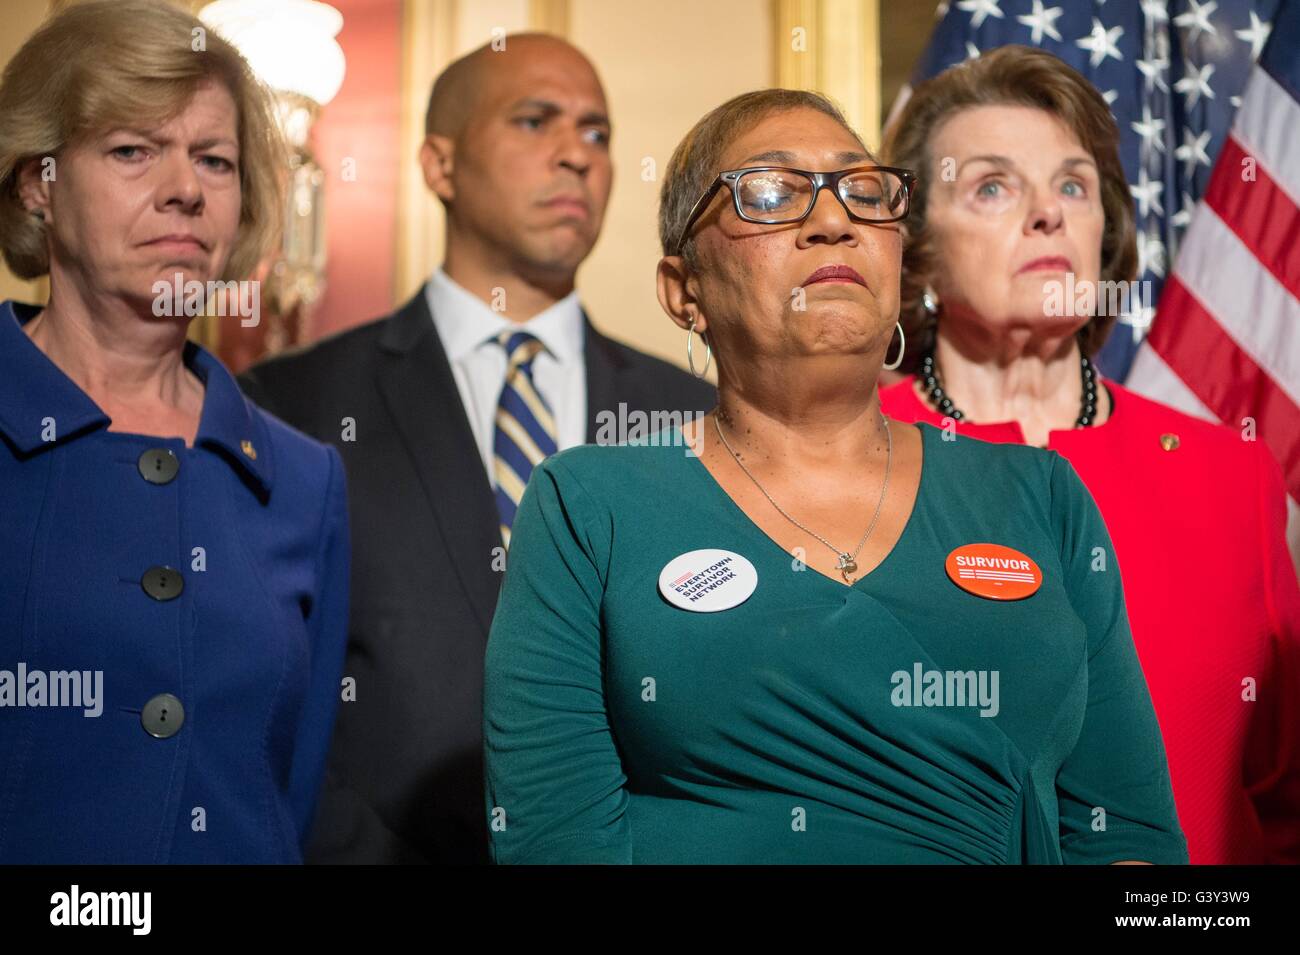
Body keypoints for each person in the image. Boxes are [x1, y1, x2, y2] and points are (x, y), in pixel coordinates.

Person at [482, 88, 1188, 864]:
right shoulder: (590, 507)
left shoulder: (1042, 496)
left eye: (864, 191)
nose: (833, 220)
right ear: (685, 293)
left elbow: (1128, 839)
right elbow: (554, 844)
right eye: (773, 193)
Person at [239, 33, 716, 864]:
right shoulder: (296, 402)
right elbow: (260, 692)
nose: (577, 155)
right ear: (439, 165)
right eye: (535, 121)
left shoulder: (695, 414)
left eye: (597, 133)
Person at [878, 45, 1300, 865]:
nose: (1048, 213)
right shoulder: (856, 453)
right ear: (918, 251)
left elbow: (1285, 801)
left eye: (1073, 185)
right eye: (992, 186)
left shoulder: (1231, 475)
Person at [0, 0, 349, 863]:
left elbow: (289, 794)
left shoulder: (304, 480)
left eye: (215, 160)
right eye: (132, 150)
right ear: (38, 182)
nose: (186, 188)